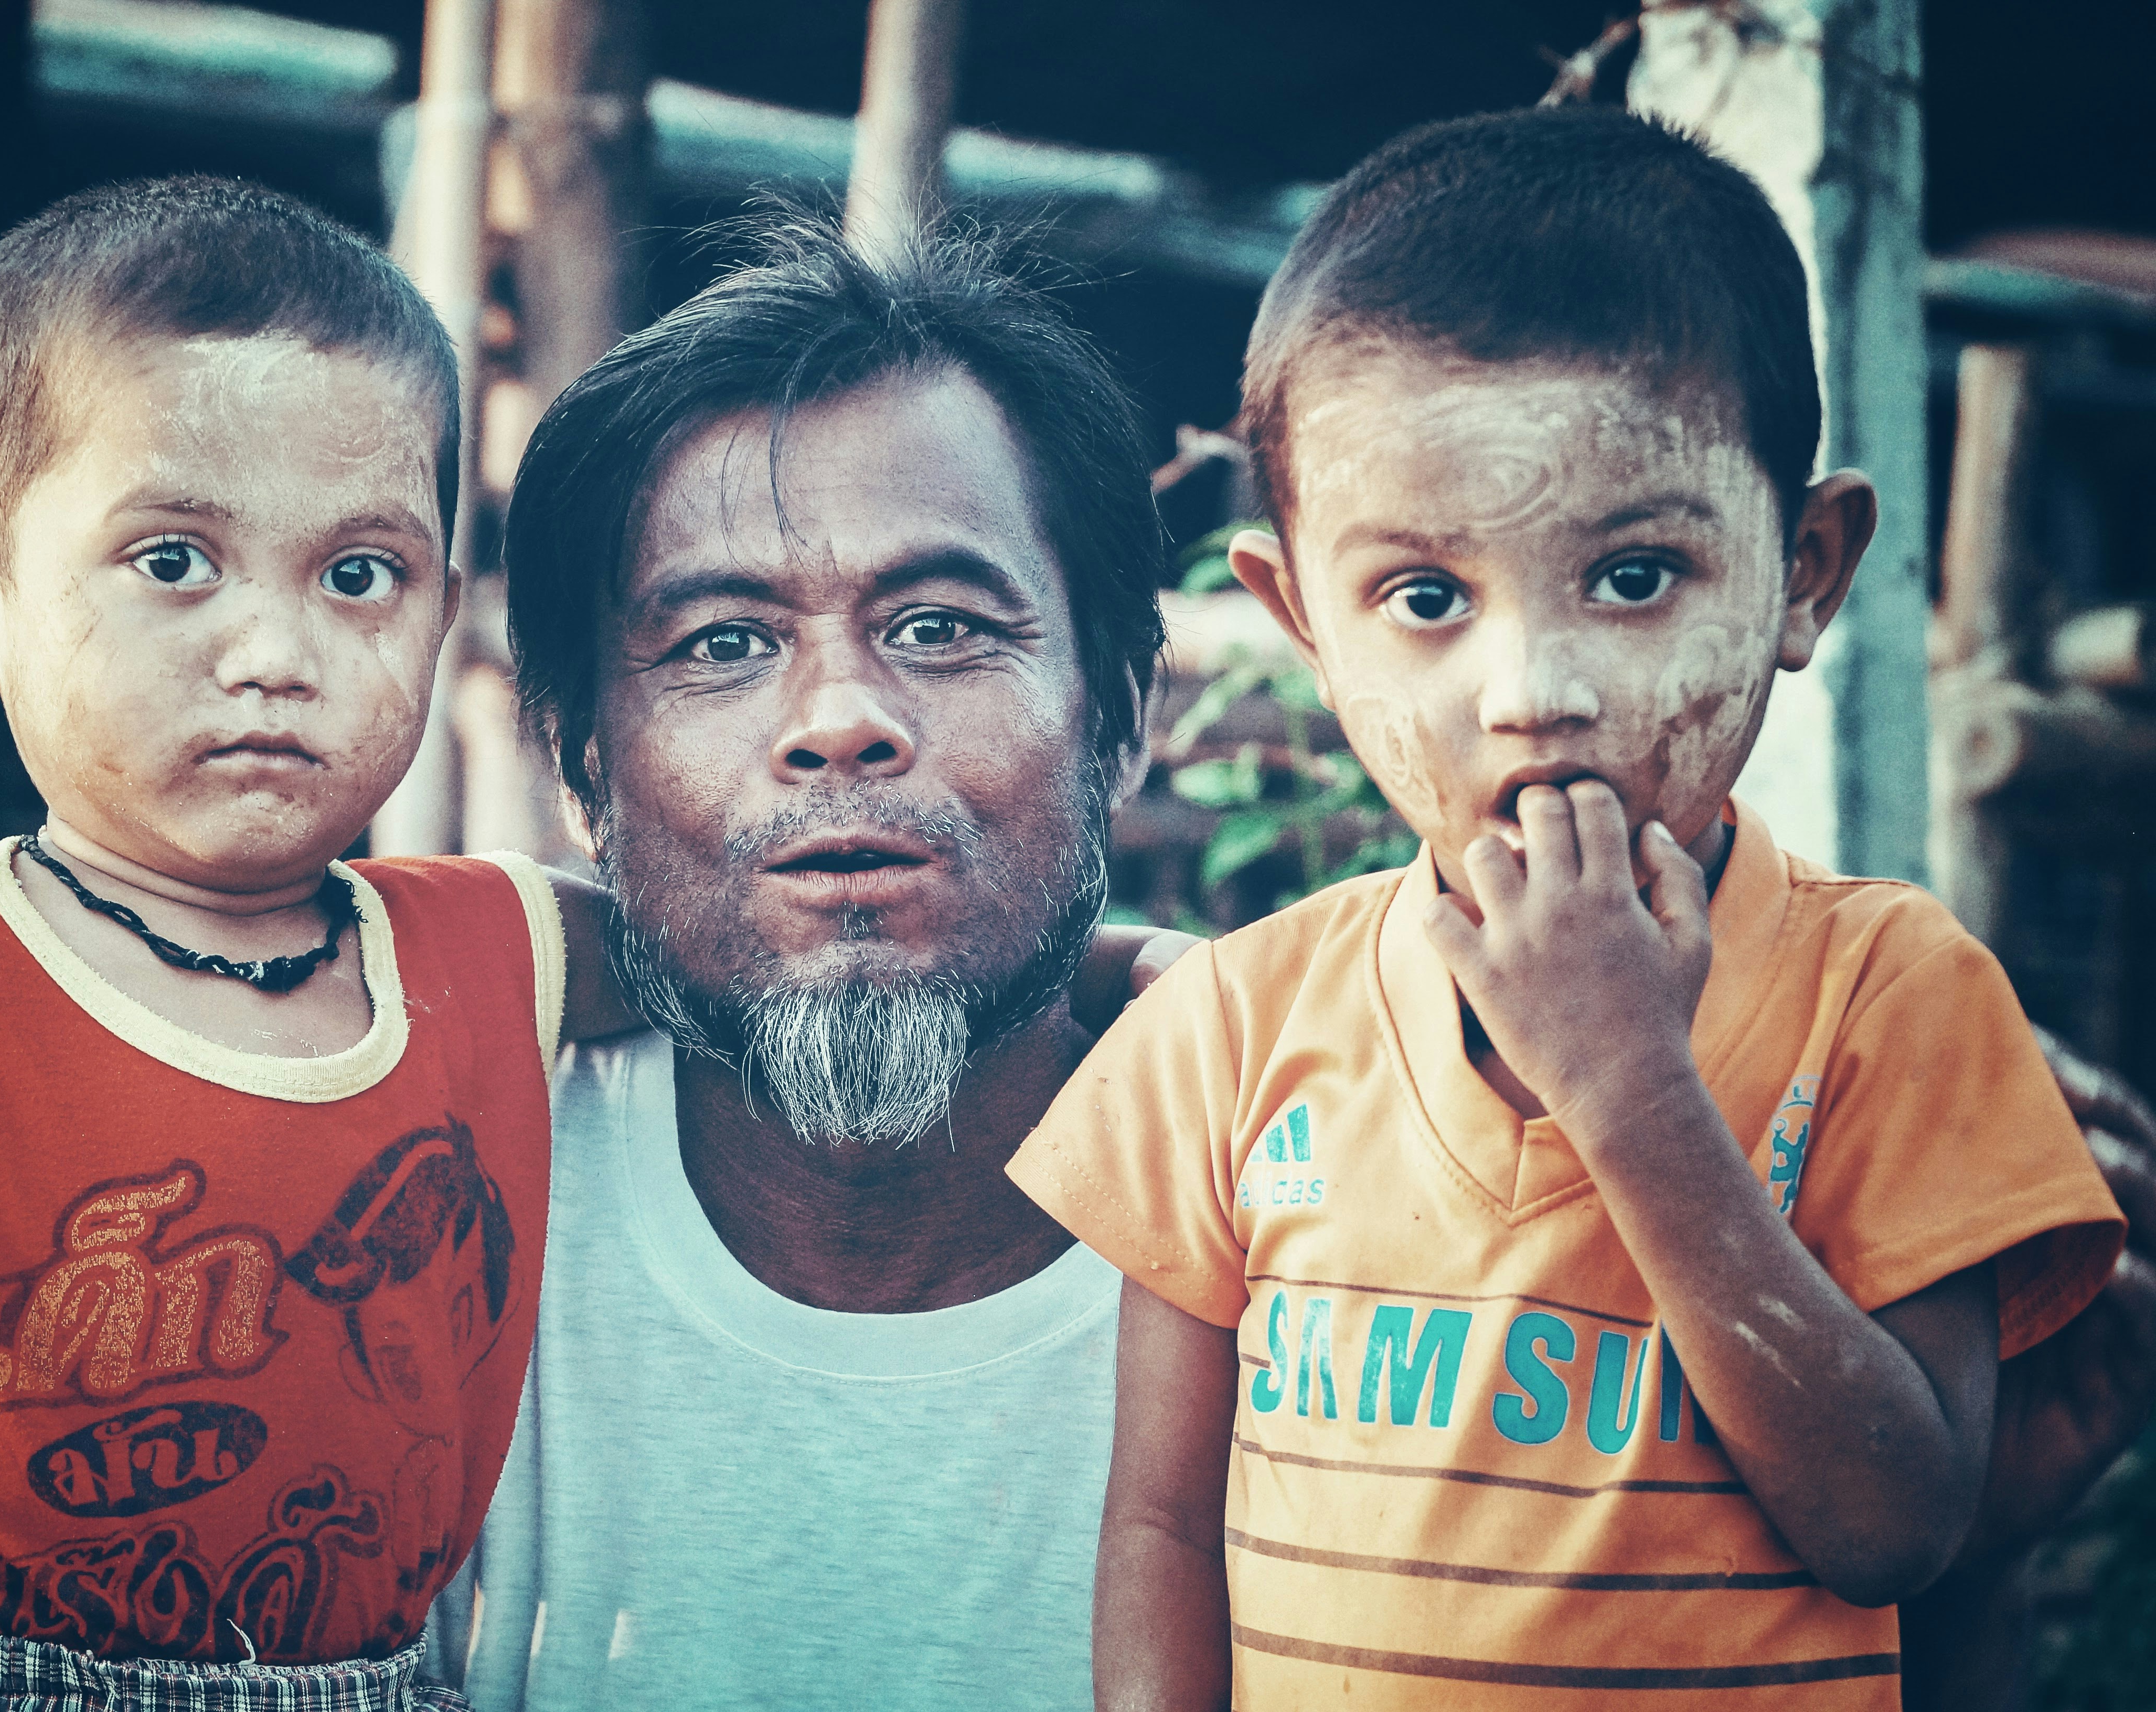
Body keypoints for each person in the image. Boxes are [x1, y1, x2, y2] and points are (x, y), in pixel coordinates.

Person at [1005, 108, 2130, 1709]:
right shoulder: (1233, 1028)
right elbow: (1166, 1527)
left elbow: (1899, 1528)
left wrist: (1634, 1093)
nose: (1534, 694)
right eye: (1424, 600)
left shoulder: (1890, 994)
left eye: (1632, 576)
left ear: (1805, 573)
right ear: (1302, 620)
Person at [0, 176, 634, 1709]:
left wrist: (1112, 977)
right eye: (171, 561)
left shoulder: (498, 950)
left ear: (441, 611)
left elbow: (777, 959)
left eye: (359, 575)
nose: (275, 654)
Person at [424, 220, 1170, 1711]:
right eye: (718, 643)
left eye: (943, 626)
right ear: (583, 768)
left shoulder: (1324, 1246)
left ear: (1119, 720)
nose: (839, 718)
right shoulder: (425, 1221)